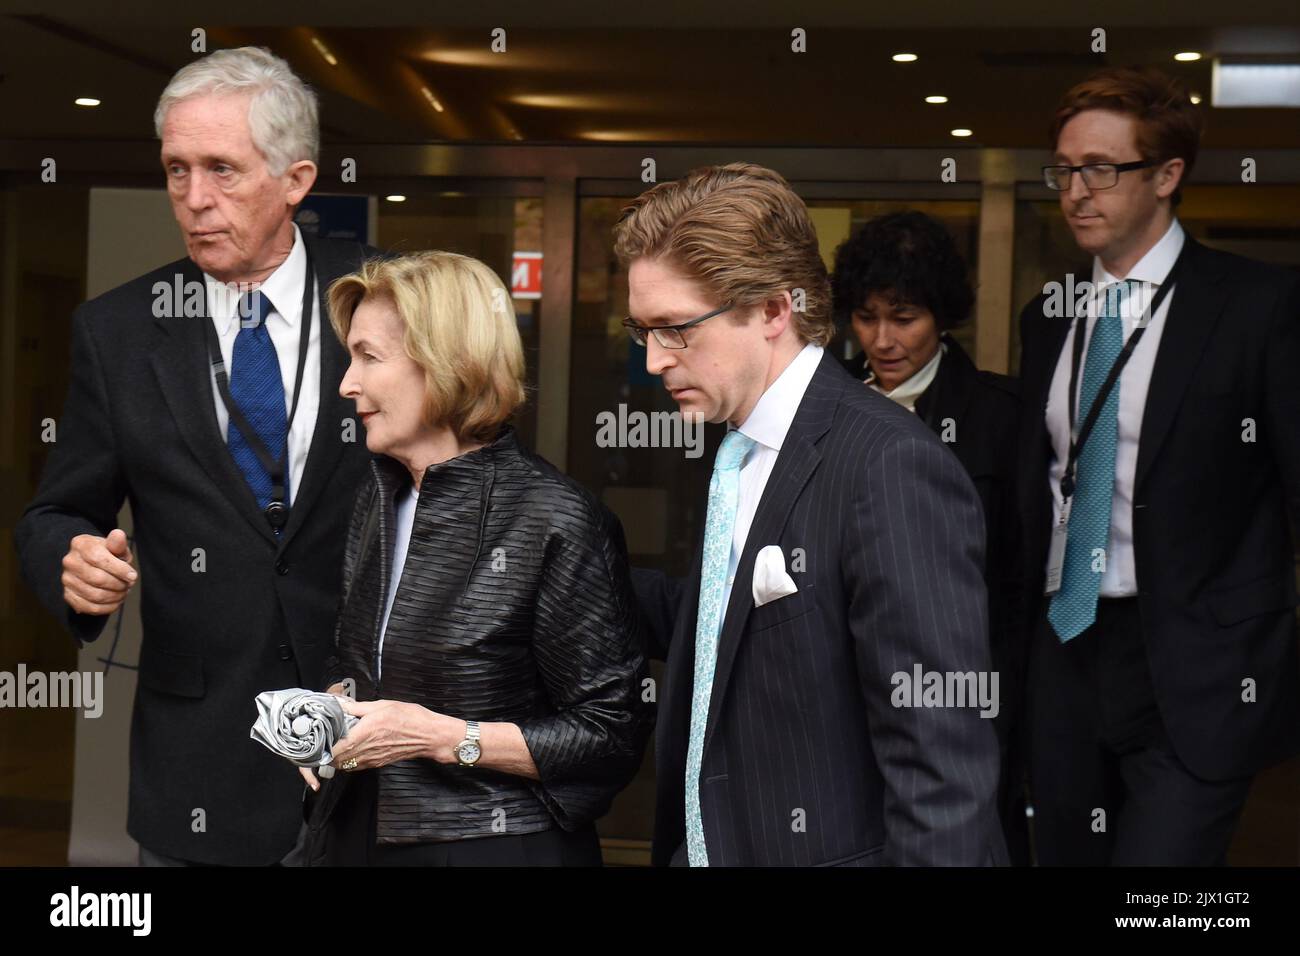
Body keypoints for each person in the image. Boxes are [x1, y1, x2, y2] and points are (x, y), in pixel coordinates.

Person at [14, 47, 376, 866]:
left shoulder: (386, 302)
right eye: (177, 170)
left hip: (380, 743)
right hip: (201, 761)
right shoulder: (117, 332)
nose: (195, 199)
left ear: (297, 179)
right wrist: (69, 558)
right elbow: (58, 511)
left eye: (223, 169)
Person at [620, 163, 1004, 866]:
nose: (653, 360)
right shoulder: (738, 449)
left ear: (773, 310)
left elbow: (941, 766)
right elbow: (731, 642)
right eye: (642, 330)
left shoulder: (889, 466)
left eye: (675, 329)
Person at [1016, 66, 1300, 865]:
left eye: (1102, 169)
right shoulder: (1048, 316)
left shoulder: (1256, 308)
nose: (1076, 191)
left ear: (1168, 175)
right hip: (1067, 650)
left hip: (1198, 663)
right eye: (1065, 170)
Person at [299, 251, 651, 866]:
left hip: (497, 847)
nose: (347, 383)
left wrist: (442, 738)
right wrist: (328, 712)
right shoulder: (375, 496)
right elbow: (356, 658)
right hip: (356, 831)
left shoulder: (558, 517)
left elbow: (610, 733)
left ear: (445, 363)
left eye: (369, 357)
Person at [832, 210, 1028, 864]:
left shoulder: (1004, 418)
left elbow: (1020, 579)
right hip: (843, 691)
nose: (882, 339)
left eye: (904, 317)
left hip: (961, 695)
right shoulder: (824, 410)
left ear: (942, 315)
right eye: (865, 317)